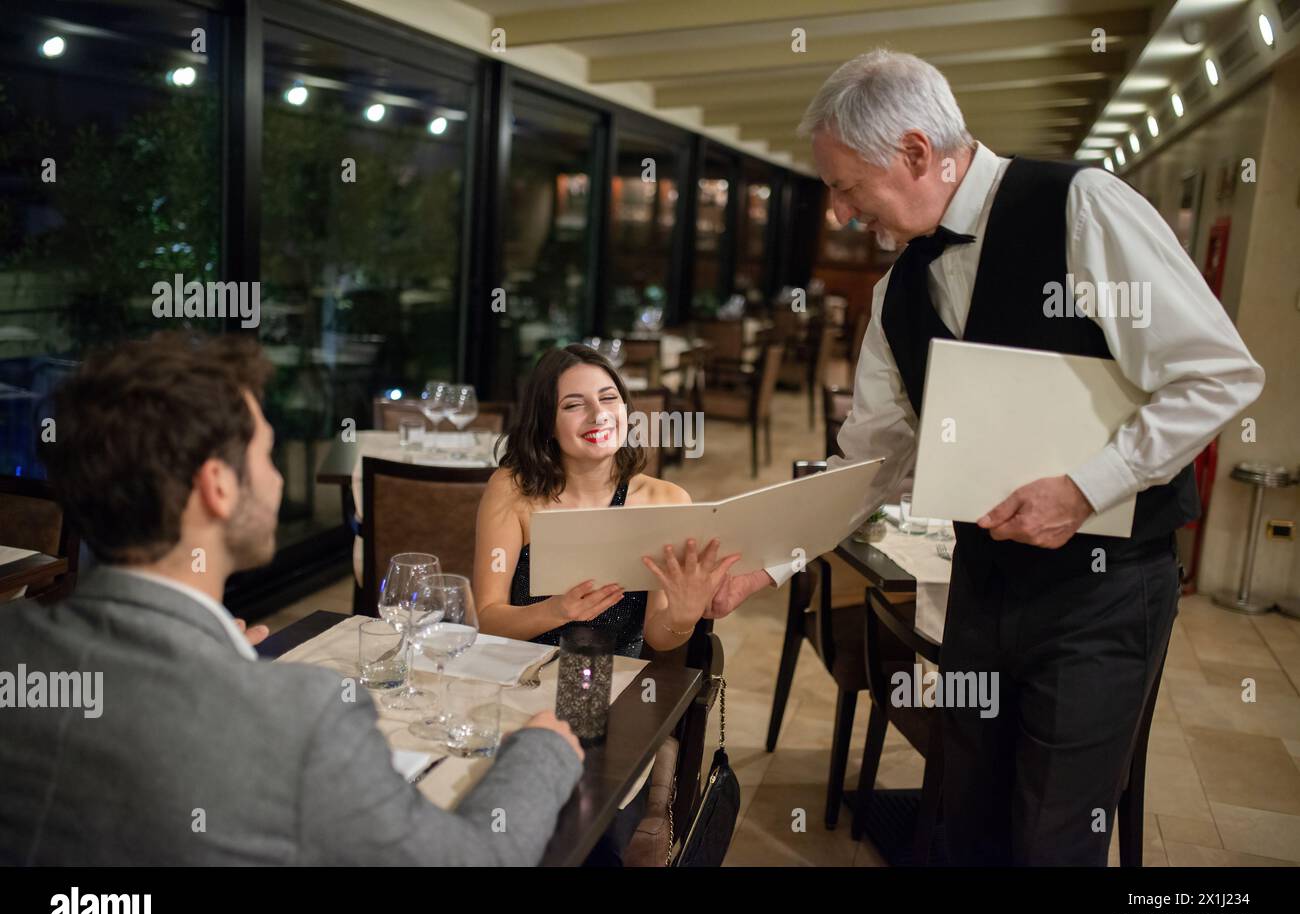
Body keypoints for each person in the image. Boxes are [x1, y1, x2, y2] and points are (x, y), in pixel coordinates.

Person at [717, 50, 1265, 865]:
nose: (835, 213)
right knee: (959, 818)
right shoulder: (896, 291)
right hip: (977, 588)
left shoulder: (1080, 207)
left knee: (1052, 835)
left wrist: (1087, 487)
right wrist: (763, 559)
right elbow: (868, 460)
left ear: (911, 152)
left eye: (843, 185)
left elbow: (1217, 372)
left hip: (1102, 595)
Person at [0, 332, 585, 866]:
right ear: (218, 487)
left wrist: (223, 661)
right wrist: (542, 752)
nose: (279, 479)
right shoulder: (305, 718)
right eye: (266, 455)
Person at [474, 343, 739, 659]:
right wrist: (557, 610)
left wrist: (681, 617)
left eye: (609, 398)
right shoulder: (512, 489)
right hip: (520, 676)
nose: (599, 415)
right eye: (574, 405)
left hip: (615, 686)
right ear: (547, 424)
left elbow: (660, 637)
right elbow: (487, 620)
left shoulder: (665, 500)